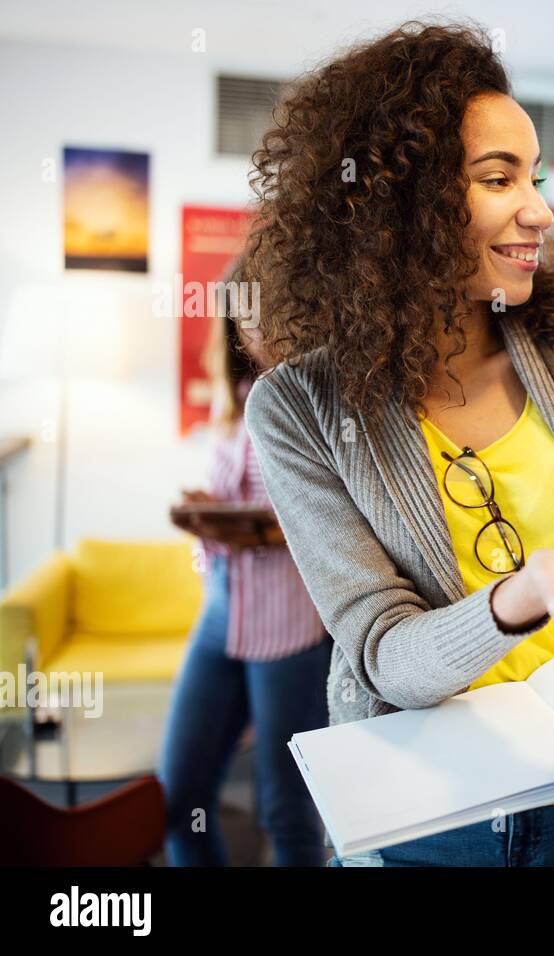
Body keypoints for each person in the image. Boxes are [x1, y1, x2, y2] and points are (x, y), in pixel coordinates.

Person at [241, 21, 554, 867]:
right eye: (498, 178)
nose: (541, 209)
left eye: (536, 177)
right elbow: (383, 656)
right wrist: (536, 589)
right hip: (422, 821)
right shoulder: (300, 409)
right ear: (400, 205)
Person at [160, 260, 332, 866]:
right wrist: (210, 512)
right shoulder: (235, 400)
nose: (252, 331)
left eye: (261, 314)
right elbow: (246, 502)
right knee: (178, 794)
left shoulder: (316, 397)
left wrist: (253, 531)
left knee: (287, 812)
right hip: (223, 612)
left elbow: (328, 517)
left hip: (290, 624)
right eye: (241, 317)